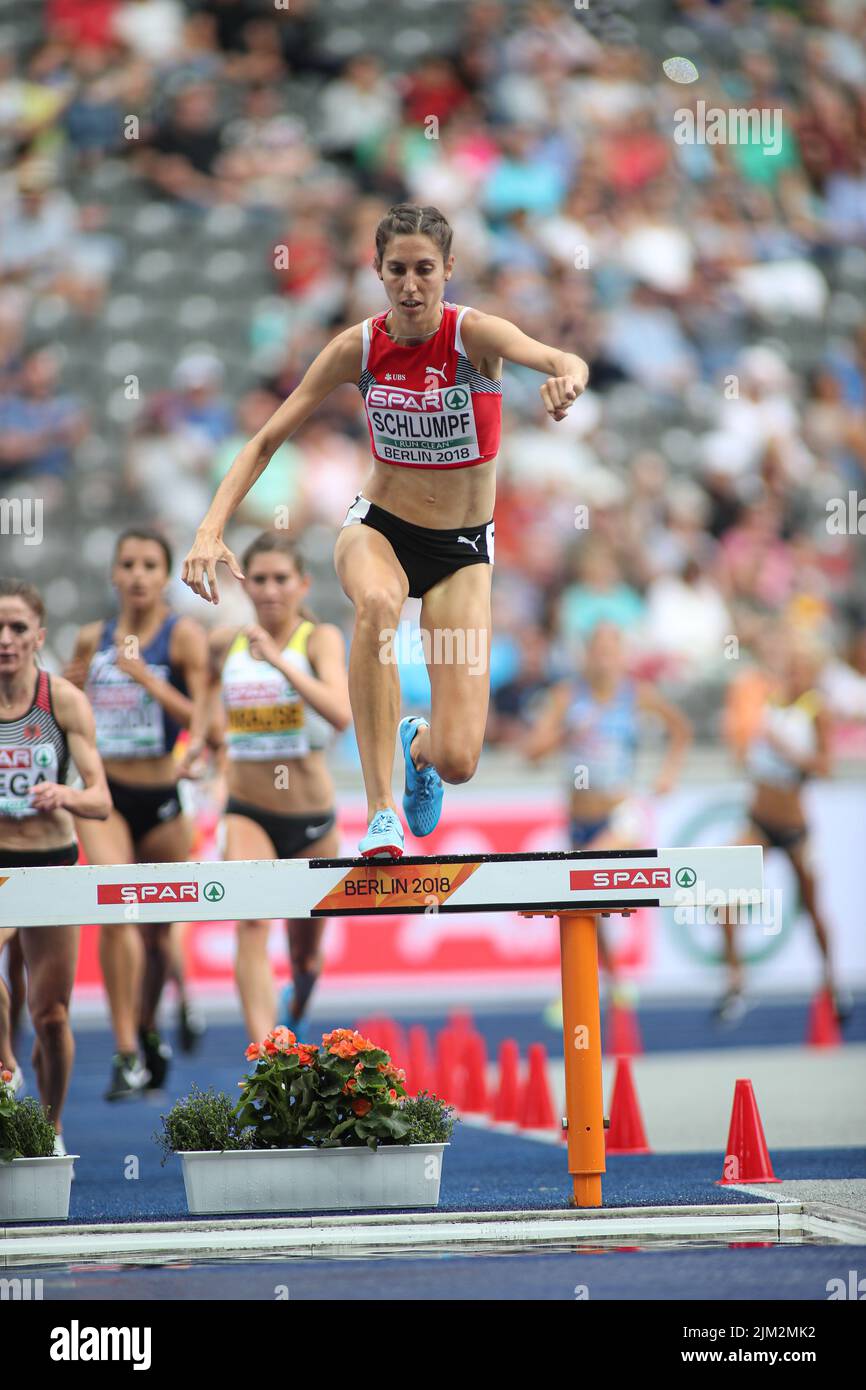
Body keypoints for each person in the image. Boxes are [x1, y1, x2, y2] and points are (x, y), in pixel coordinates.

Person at [181, 202, 588, 858]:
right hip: (381, 529)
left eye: (425, 269)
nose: (410, 284)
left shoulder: (474, 337)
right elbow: (266, 441)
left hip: (461, 553)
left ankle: (419, 749)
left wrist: (569, 379)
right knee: (376, 606)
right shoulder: (358, 347)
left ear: (449, 269)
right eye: (396, 269)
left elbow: (559, 355)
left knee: (460, 760)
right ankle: (379, 813)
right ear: (376, 270)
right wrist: (210, 527)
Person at [180, 531, 350, 1041]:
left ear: (302, 583)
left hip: (312, 820)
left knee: (306, 957)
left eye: (281, 579)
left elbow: (341, 714)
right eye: (259, 579)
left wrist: (276, 660)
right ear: (246, 584)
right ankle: (267, 1062)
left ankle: (295, 1001)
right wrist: (200, 741)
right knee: (251, 925)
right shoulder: (226, 642)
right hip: (247, 808)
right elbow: (208, 684)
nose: (270, 589)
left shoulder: (318, 640)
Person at [64, 527, 210, 1099]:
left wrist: (145, 678)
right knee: (114, 906)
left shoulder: (184, 636)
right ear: (114, 575)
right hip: (108, 799)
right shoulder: (90, 638)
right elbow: (64, 707)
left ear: (164, 573)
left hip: (166, 801)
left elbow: (203, 718)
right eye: (128, 564)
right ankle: (126, 1050)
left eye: (151, 564)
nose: (139, 574)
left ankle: (148, 1027)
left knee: (157, 939)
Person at [0, 578, 111, 1155]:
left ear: (38, 636)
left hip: (51, 861)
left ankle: (51, 1126)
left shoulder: (61, 700)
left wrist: (63, 795)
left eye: (18, 627)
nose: (5, 639)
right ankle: (8, 1070)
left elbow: (102, 799)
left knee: (51, 1015)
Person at [523, 622, 692, 980]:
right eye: (597, 650)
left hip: (621, 814)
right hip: (579, 818)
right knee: (586, 910)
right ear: (586, 655)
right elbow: (532, 754)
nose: (604, 659)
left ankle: (582, 985)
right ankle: (615, 984)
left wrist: (668, 774)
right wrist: (567, 732)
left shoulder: (636, 694)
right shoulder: (567, 696)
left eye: (611, 651)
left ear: (622, 656)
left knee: (578, 880)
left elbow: (681, 729)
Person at [719, 630, 846, 1023]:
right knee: (723, 893)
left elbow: (826, 767)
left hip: (795, 827)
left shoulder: (815, 709)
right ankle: (736, 981)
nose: (790, 674)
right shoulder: (767, 700)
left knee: (811, 905)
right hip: (758, 820)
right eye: (787, 667)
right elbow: (742, 742)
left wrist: (787, 751)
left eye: (797, 668)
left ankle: (831, 981)